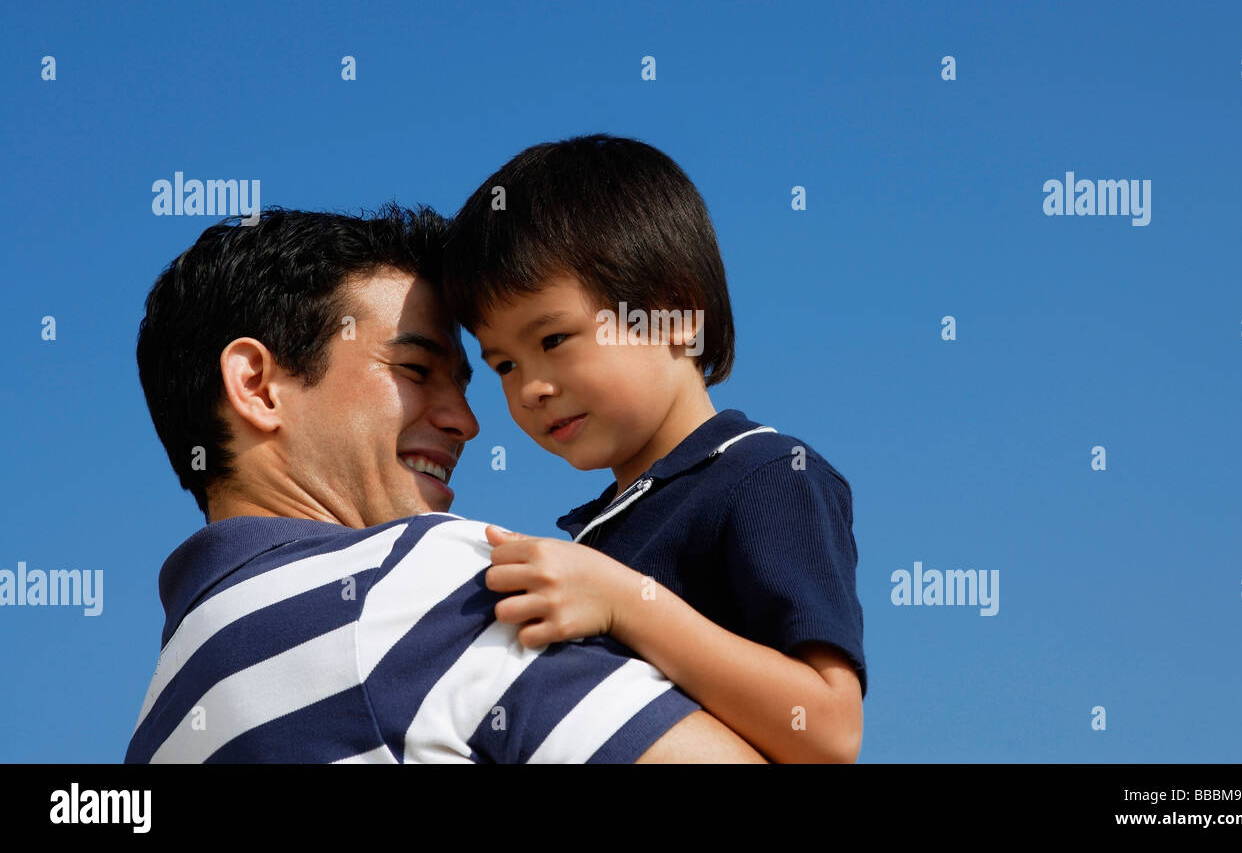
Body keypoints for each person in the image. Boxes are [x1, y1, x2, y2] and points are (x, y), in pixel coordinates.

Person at [125, 204, 762, 764]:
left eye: (465, 380)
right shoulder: (423, 582)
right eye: (414, 369)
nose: (466, 421)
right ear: (257, 387)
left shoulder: (161, 720)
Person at [441, 135, 867, 764]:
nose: (531, 387)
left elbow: (829, 729)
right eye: (503, 364)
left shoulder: (765, 474)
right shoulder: (601, 532)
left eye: (554, 338)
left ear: (673, 313)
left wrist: (623, 604)